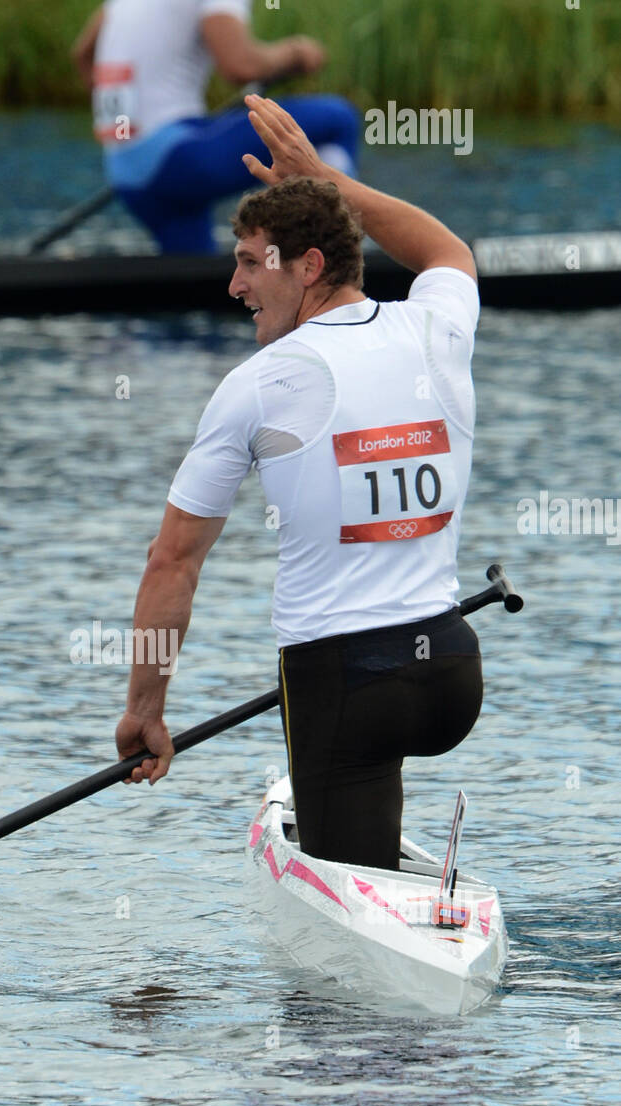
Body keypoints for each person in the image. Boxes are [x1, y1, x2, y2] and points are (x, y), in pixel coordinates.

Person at [114, 95, 484, 872]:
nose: (235, 286)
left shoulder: (261, 382)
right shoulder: (435, 328)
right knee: (370, 814)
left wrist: (145, 710)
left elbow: (171, 562)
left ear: (308, 267)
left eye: (252, 262)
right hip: (452, 673)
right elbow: (447, 252)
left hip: (347, 687)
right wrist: (326, 181)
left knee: (339, 975)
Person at [71, 1, 359, 254]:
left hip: (125, 172)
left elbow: (83, 54)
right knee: (337, 118)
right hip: (177, 161)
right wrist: (297, 54)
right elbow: (240, 66)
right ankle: (338, 254)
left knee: (197, 284)